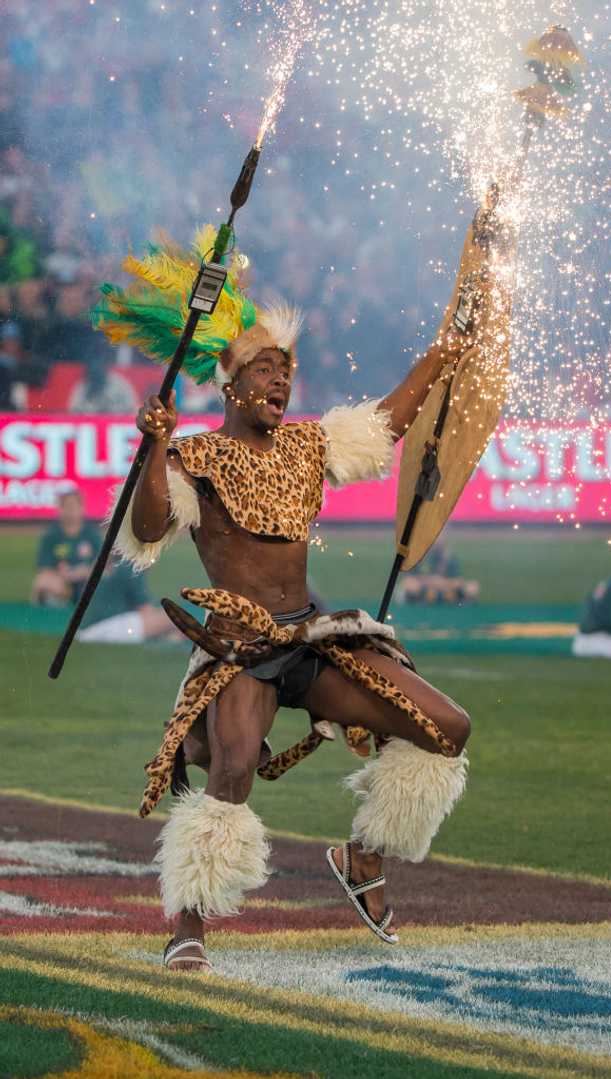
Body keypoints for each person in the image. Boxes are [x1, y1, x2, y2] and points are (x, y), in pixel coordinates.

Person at [93, 226, 471, 972]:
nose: (280, 380)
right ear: (229, 382)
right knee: (229, 771)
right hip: (241, 645)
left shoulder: (307, 446)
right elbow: (146, 529)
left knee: (445, 727)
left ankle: (363, 856)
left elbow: (390, 422)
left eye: (287, 370)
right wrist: (155, 451)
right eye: (265, 368)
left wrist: (439, 356)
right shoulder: (197, 455)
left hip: (311, 635)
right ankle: (187, 925)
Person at [76, 556, 180, 644]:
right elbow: (146, 610)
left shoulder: (121, 565)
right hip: (102, 629)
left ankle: (169, 640)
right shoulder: (132, 567)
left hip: (88, 629)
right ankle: (171, 643)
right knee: (172, 617)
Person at [31, 484, 102, 606]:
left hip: (86, 581)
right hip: (61, 583)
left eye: (73, 506)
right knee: (41, 582)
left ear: (82, 508)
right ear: (59, 508)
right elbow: (43, 568)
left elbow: (105, 567)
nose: (70, 511)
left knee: (101, 582)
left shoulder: (93, 535)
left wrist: (81, 572)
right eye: (66, 506)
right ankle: (42, 616)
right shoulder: (51, 536)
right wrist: (63, 575)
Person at [402, 533, 479, 605]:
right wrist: (434, 582)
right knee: (412, 587)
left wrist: (439, 583)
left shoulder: (448, 557)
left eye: (438, 537)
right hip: (425, 590)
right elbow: (409, 581)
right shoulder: (417, 556)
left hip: (444, 590)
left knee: (472, 588)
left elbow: (457, 581)